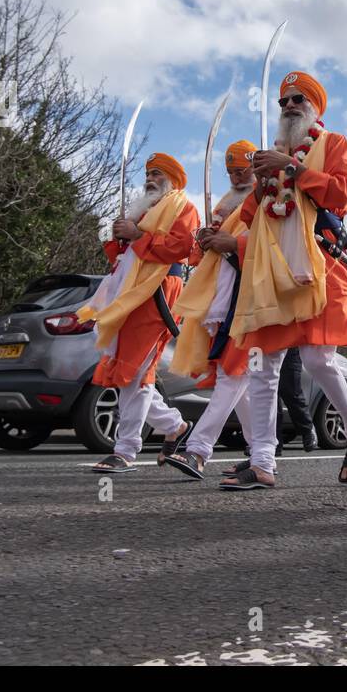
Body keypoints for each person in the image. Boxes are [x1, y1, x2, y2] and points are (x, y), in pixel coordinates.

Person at [220, 71, 347, 490]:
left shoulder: (333, 145)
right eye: (283, 101)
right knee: (264, 368)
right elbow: (253, 215)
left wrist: (292, 166)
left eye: (298, 99)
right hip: (271, 275)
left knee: (316, 360)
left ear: (315, 107)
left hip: (320, 269)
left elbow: (340, 195)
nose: (289, 106)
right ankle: (263, 462)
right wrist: (223, 237)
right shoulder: (270, 157)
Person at [80, 154, 200, 474]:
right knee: (127, 369)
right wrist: (118, 236)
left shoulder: (184, 207)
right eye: (147, 173)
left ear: (172, 180)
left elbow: (181, 247)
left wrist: (137, 235)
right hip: (129, 293)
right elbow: (123, 257)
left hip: (160, 290)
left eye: (157, 173)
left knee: (135, 369)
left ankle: (126, 449)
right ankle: (175, 427)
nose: (150, 178)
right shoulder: (141, 211)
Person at [167, 140, 260, 479]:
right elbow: (198, 256)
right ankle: (259, 449)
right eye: (231, 172)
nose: (236, 177)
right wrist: (206, 238)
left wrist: (234, 244)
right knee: (238, 376)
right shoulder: (225, 203)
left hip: (253, 295)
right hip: (221, 295)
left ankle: (198, 450)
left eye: (242, 171)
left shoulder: (266, 197)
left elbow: (273, 245)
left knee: (233, 372)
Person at [275, 348, 318, 454]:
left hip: (289, 344)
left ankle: (307, 429)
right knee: (268, 398)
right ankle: (273, 443)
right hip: (264, 344)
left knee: (290, 391)